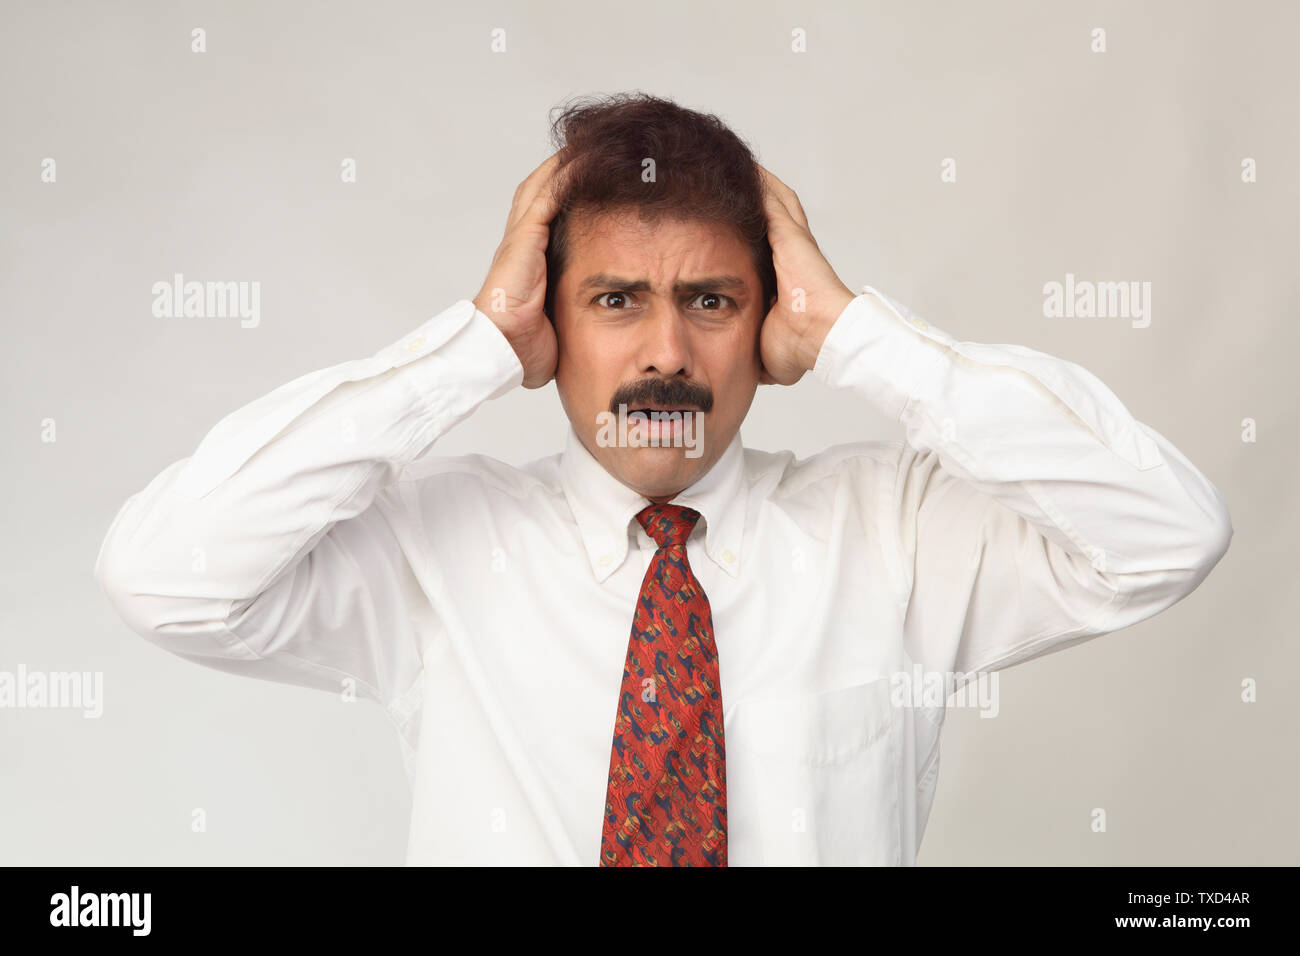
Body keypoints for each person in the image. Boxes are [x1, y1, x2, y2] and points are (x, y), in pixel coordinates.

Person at [94, 92, 1233, 866]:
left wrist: (856, 334)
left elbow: (1166, 533)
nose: (664, 353)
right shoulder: (435, 549)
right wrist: (471, 347)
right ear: (552, 320)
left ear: (765, 327)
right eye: (613, 298)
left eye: (710, 300)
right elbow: (164, 575)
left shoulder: (895, 532)